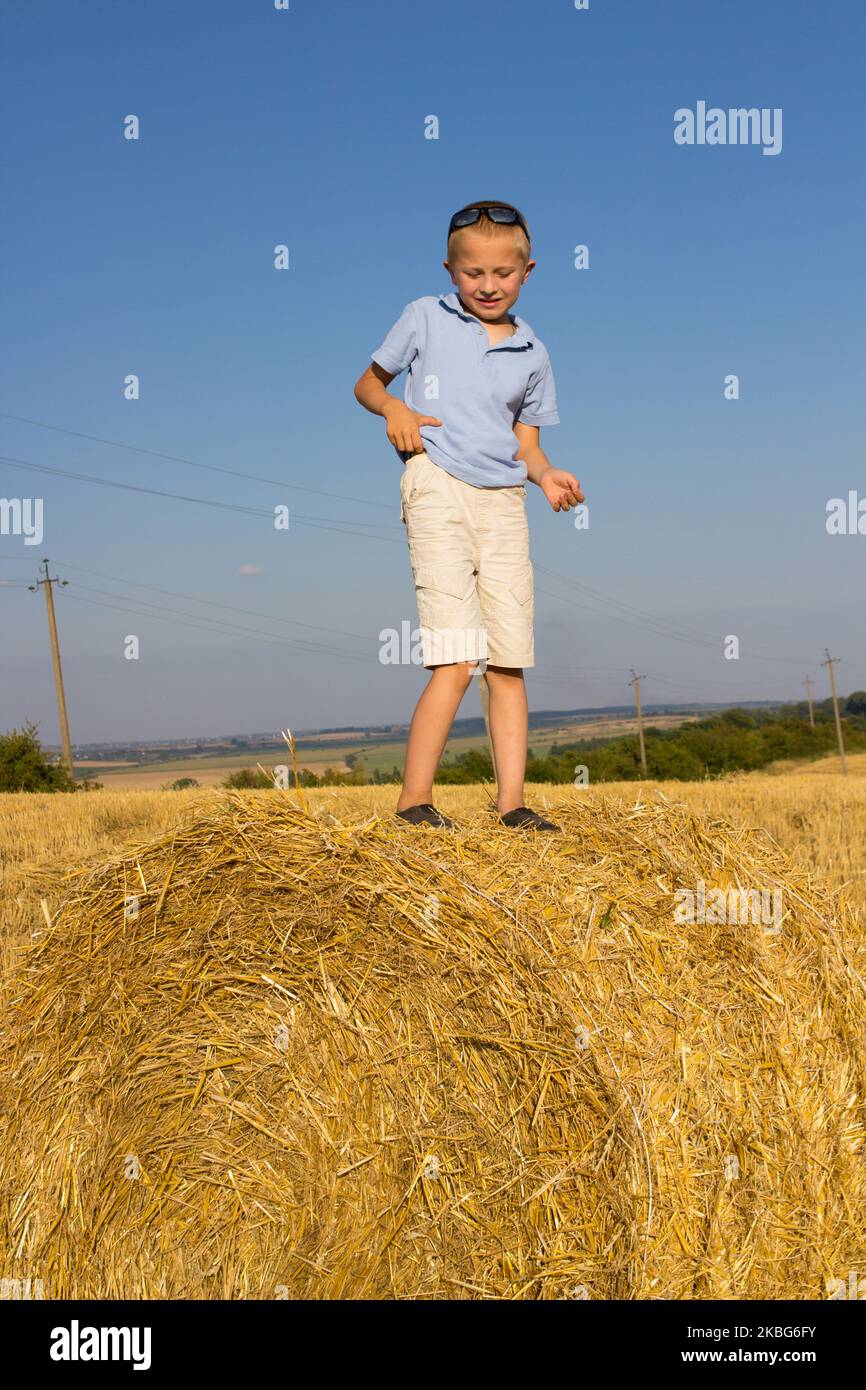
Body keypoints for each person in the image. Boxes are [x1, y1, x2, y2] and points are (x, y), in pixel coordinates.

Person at [354, 200, 584, 830]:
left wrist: (547, 476)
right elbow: (368, 383)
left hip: (505, 500)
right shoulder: (424, 317)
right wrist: (394, 412)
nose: (487, 286)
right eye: (473, 273)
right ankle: (414, 801)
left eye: (502, 274)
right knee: (455, 656)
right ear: (451, 270)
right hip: (437, 483)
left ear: (527, 272)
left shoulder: (535, 352)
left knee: (508, 658)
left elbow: (526, 444)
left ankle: (513, 805)